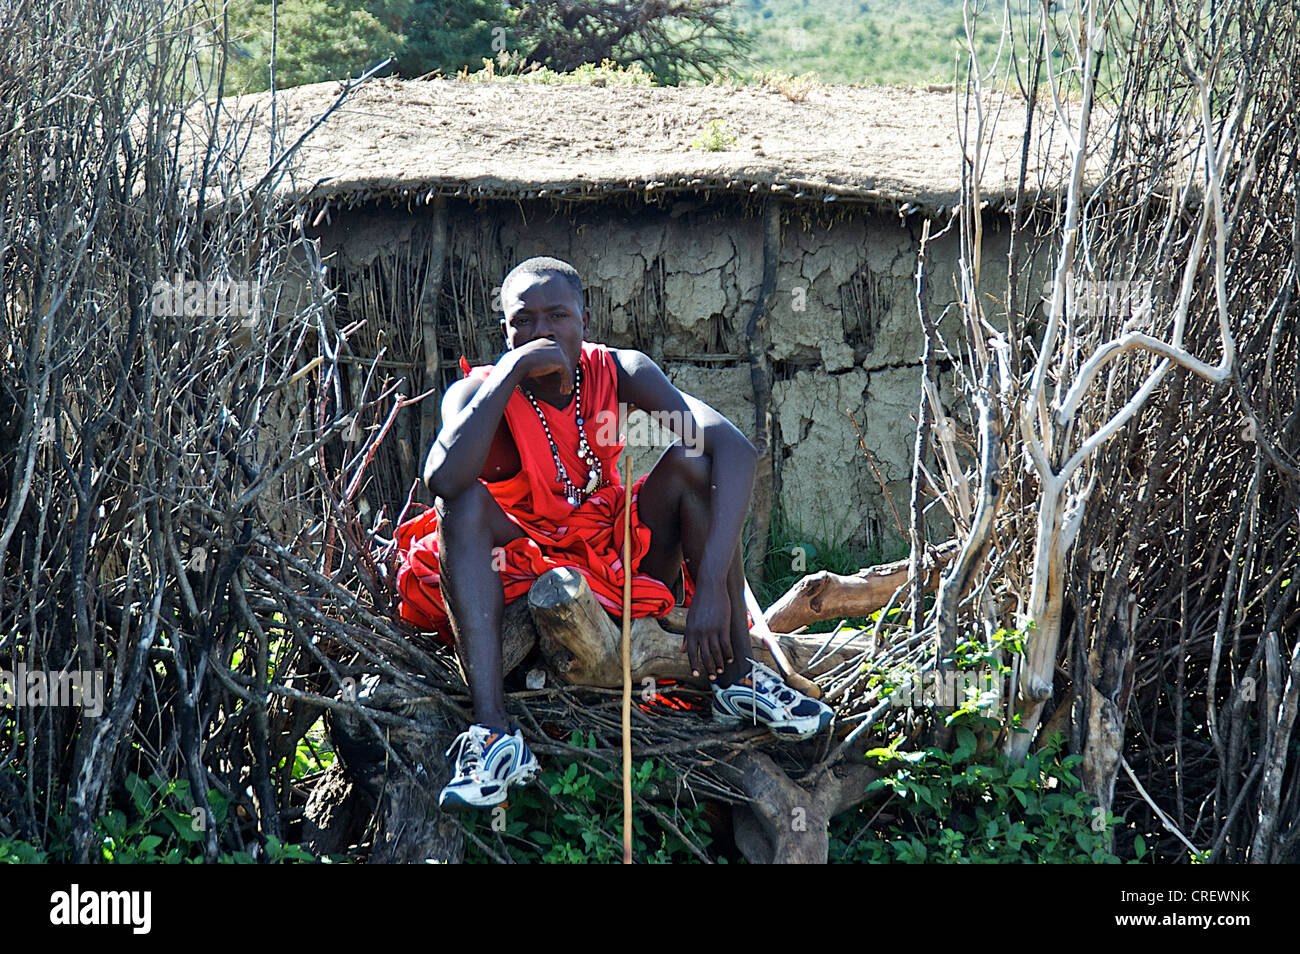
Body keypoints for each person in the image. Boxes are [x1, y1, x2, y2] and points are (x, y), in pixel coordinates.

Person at [395, 256, 832, 811]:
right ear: (504, 332)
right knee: (462, 504)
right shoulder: (478, 393)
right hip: (517, 556)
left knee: (694, 465)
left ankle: (736, 678)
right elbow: (444, 479)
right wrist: (509, 373)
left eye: (557, 316)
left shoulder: (619, 371)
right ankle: (493, 736)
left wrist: (715, 591)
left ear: (585, 319)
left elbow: (735, 450)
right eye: (522, 322)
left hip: (606, 548)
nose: (541, 333)